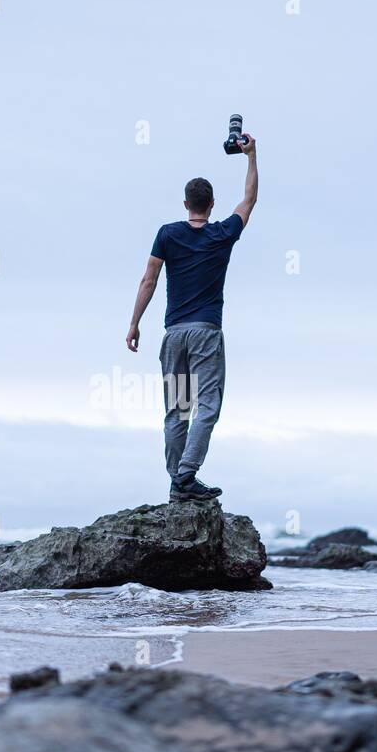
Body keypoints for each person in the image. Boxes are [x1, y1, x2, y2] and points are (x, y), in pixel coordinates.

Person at [125, 132, 257, 501]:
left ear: (186, 204)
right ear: (212, 204)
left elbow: (148, 279)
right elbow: (249, 200)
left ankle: (177, 484)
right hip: (205, 334)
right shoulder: (222, 233)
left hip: (174, 335)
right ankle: (185, 477)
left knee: (177, 410)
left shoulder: (167, 234)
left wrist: (134, 323)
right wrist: (251, 157)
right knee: (207, 407)